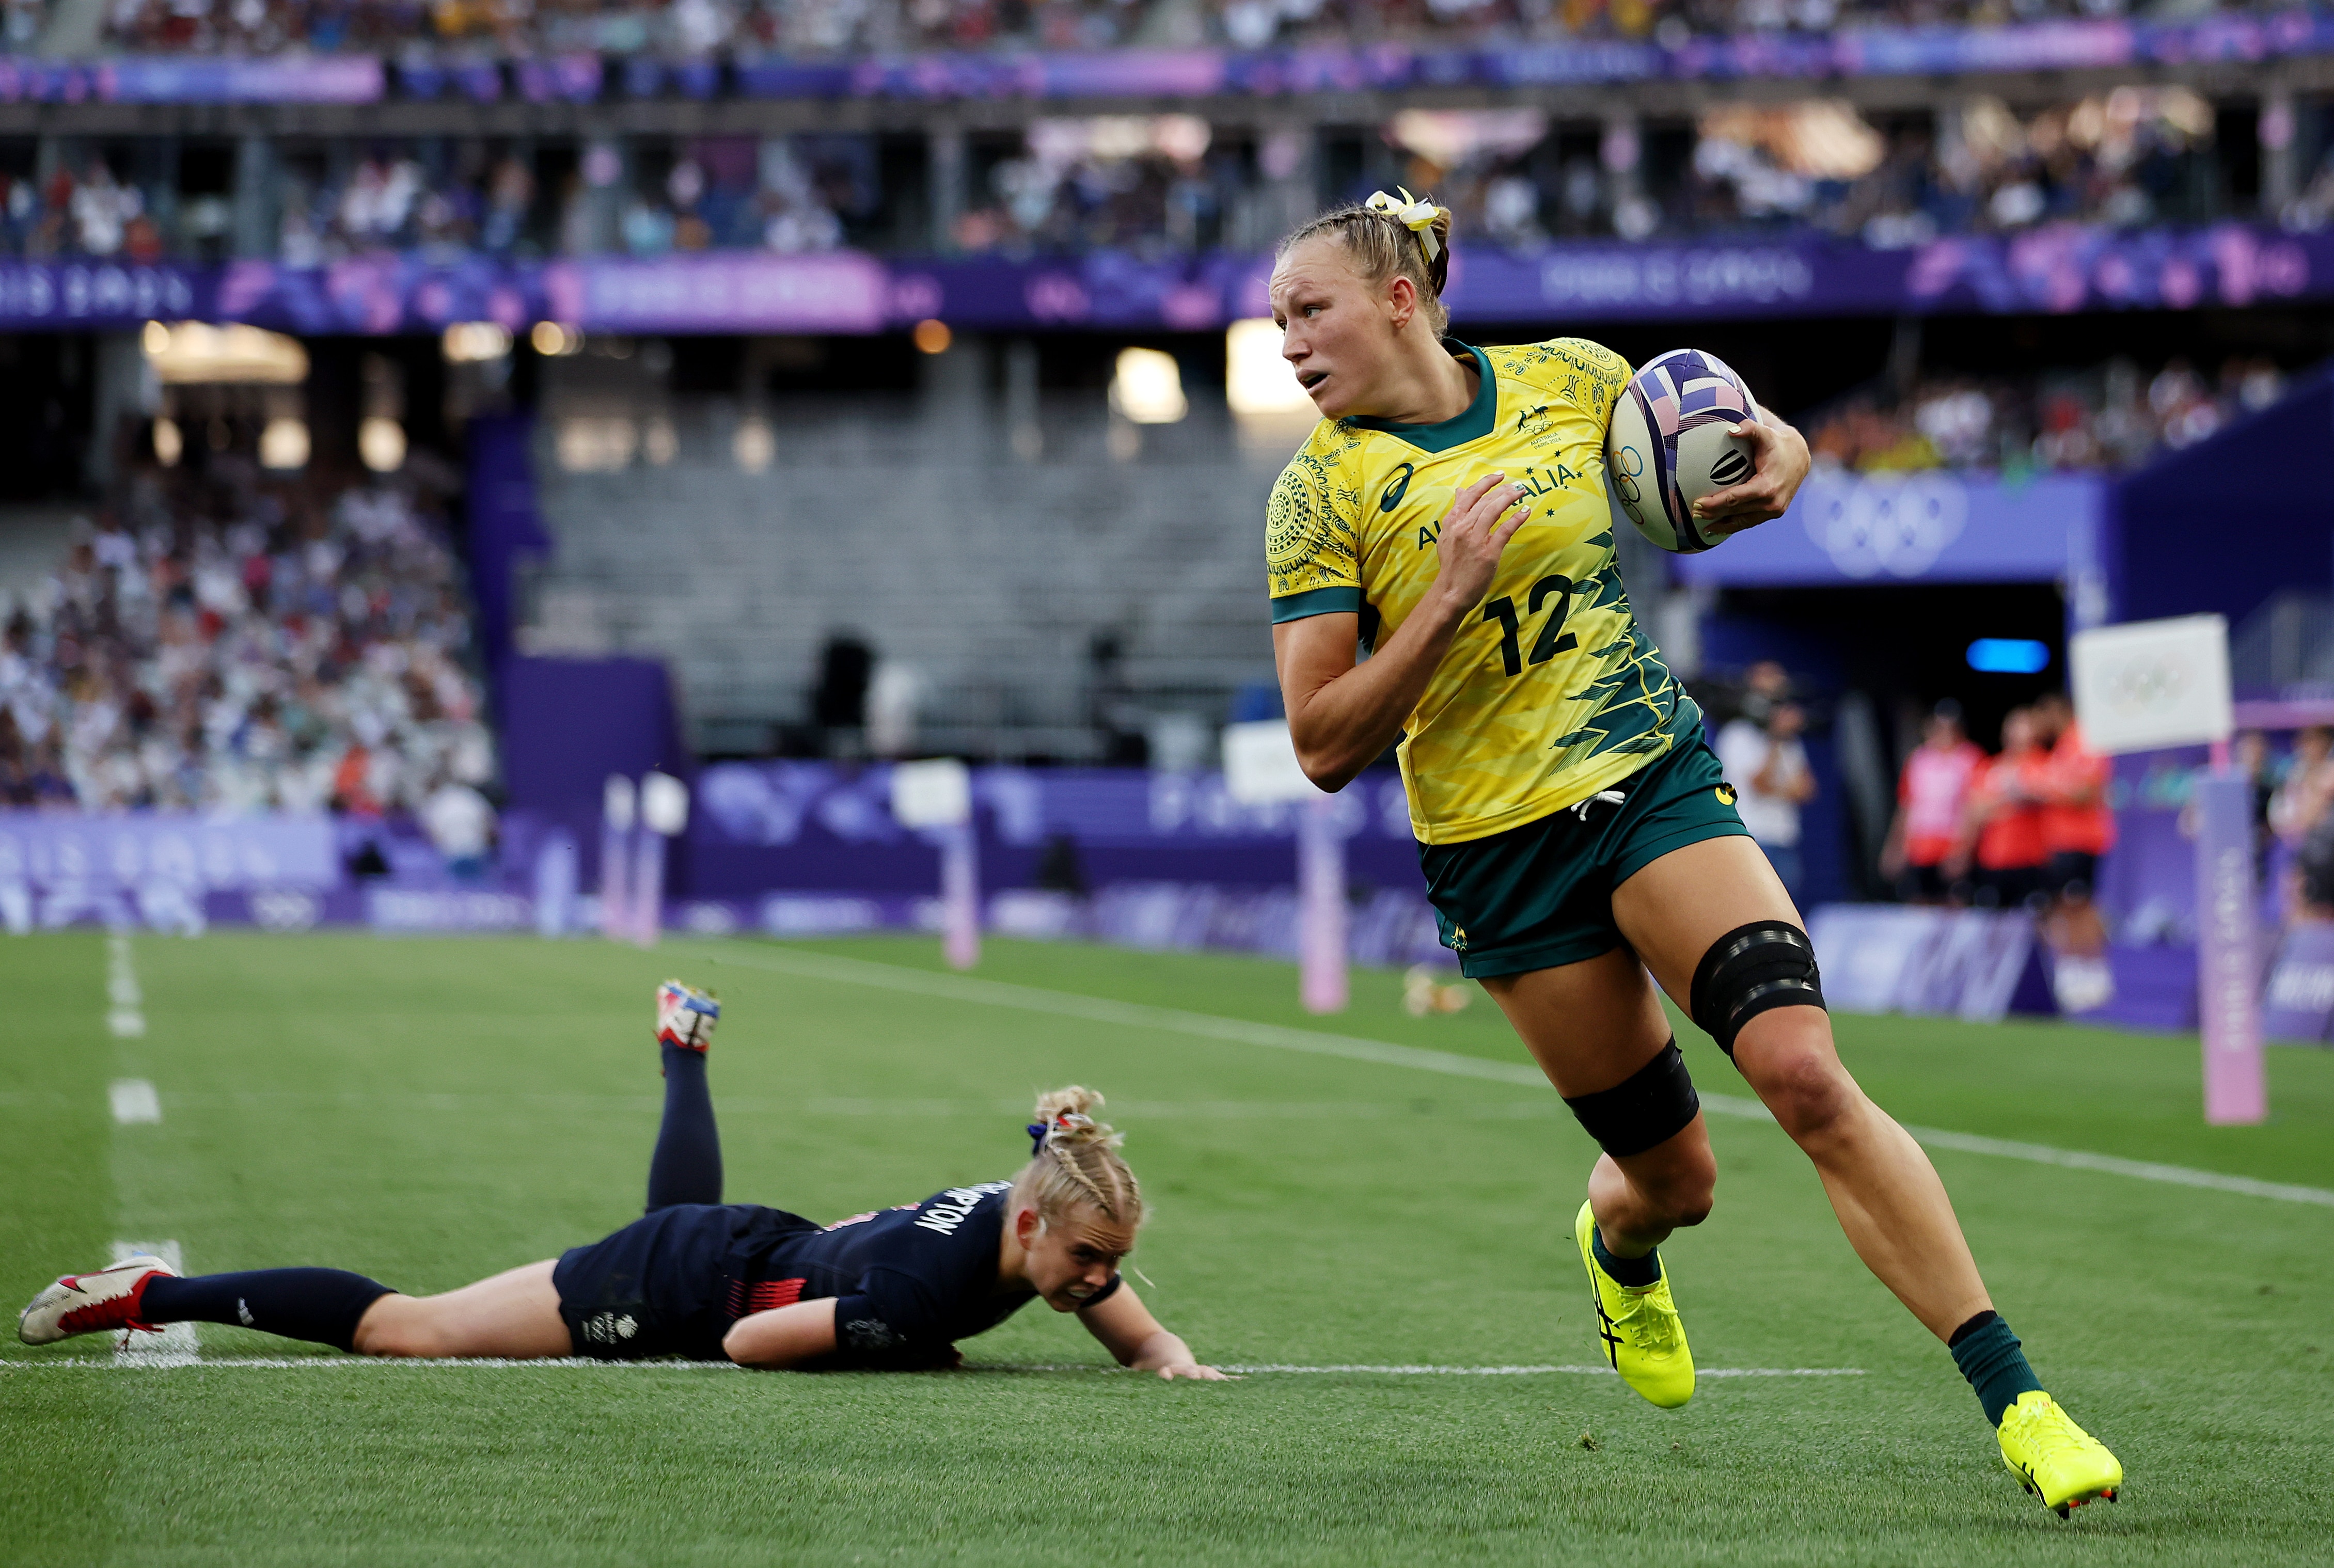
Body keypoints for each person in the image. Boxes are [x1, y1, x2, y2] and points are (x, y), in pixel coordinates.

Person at [1261, 189, 2119, 1515]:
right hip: (1497, 851)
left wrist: (1787, 453)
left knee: (1806, 1077)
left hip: (1648, 779)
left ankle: (2021, 1403)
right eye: (1276, 322)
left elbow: (1731, 444)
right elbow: (1321, 742)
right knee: (1677, 1181)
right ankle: (1619, 1243)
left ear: (1398, 298)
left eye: (1307, 310)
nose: (1287, 343)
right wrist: (1445, 595)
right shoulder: (1317, 491)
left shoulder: (1570, 378)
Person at [21, 982, 1228, 1380]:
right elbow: (750, 1347)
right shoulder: (929, 1284)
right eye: (1088, 1257)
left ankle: (681, 1049)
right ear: (1033, 1220)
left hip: (749, 1245)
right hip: (692, 1290)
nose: (1099, 1280)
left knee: (679, 1218)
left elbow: (1129, 1323)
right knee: (408, 1328)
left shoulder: (1033, 1212)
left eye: (1108, 1262)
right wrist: (907, 1347)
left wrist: (1165, 1355)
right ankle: (147, 1293)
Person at [2029, 693, 2116, 1011]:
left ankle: (2094, 972)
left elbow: (2087, 791)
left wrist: (2046, 790)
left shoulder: (2085, 740)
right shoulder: (2062, 747)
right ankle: (2073, 971)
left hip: (2083, 840)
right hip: (2060, 842)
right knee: (2062, 908)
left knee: (2081, 905)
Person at [1714, 692, 1815, 906]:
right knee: (1754, 907)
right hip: (1754, 836)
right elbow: (1760, 785)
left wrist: (1779, 789)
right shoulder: (1738, 735)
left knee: (1787, 909)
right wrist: (1776, 740)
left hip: (1784, 837)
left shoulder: (1790, 741)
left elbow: (1806, 791)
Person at [1881, 702, 1984, 904]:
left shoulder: (1971, 758)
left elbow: (1974, 808)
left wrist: (1963, 850)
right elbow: (1907, 806)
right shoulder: (1918, 760)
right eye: (1938, 727)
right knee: (1918, 903)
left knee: (1954, 905)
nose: (1943, 733)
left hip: (1952, 845)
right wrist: (1895, 847)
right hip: (1920, 847)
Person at [1952, 707, 2049, 912]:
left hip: (2031, 859)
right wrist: (1962, 852)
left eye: (2025, 727)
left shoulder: (2043, 763)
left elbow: (2041, 795)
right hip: (1993, 859)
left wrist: (2002, 801)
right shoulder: (1990, 767)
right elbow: (1975, 810)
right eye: (2014, 727)